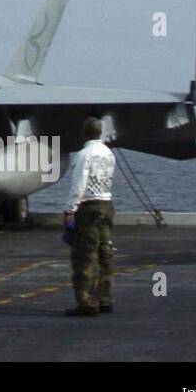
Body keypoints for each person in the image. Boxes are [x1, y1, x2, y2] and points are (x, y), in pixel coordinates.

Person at [63, 116, 116, 317]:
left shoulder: (84, 154)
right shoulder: (108, 153)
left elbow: (79, 185)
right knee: (105, 254)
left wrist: (70, 209)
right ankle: (105, 299)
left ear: (84, 133)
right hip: (106, 205)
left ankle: (86, 302)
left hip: (89, 208)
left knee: (85, 256)